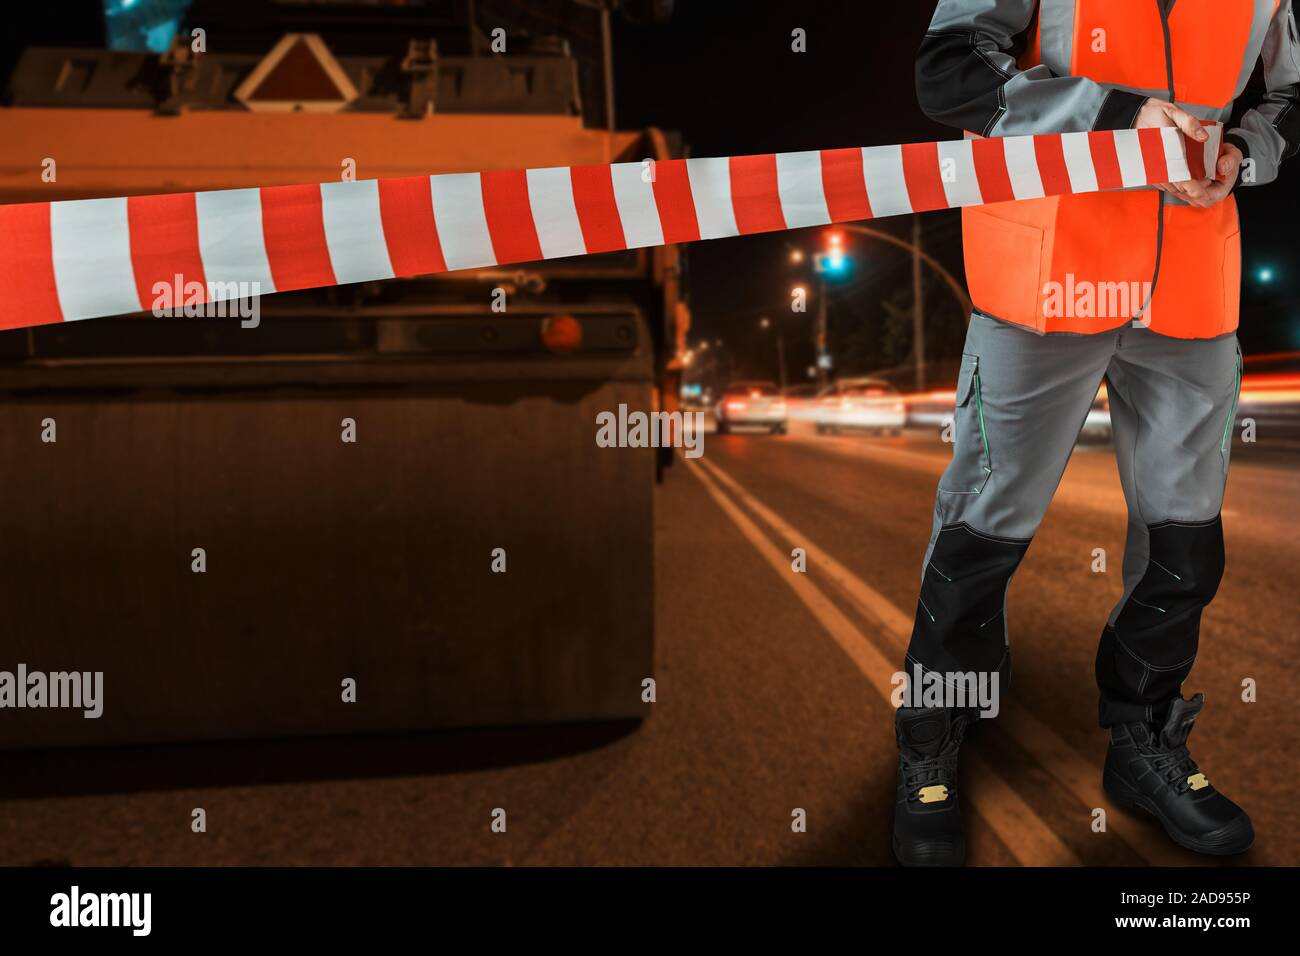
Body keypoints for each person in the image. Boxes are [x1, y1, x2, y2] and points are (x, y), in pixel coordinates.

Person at [893, 0, 1300, 866]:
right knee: (980, 537)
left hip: (1190, 282)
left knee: (1183, 546)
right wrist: (1118, 119)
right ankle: (932, 741)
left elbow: (1290, 99)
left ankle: (1143, 742)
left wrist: (1239, 153)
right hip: (1043, 277)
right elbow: (951, 70)